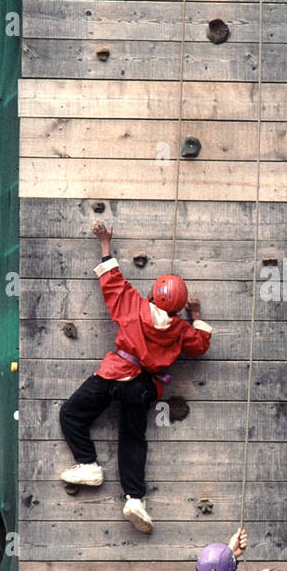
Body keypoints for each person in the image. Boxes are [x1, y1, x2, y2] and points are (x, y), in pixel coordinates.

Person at [58, 218, 212, 533]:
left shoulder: (134, 306)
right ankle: (134, 499)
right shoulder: (181, 329)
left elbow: (112, 281)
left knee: (72, 413)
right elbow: (200, 345)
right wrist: (196, 317)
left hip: (115, 375)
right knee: (132, 439)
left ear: (154, 296)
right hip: (143, 386)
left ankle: (88, 464)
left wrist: (105, 243)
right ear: (178, 308)